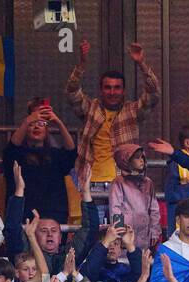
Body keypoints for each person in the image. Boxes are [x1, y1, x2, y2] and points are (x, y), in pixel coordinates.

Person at [66, 39, 160, 193]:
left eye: (117, 88)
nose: (112, 92)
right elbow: (71, 93)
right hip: (91, 184)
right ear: (101, 90)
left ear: (123, 91)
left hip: (125, 184)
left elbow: (154, 94)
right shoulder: (91, 108)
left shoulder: (132, 111)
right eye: (107, 88)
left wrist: (141, 63)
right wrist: (82, 64)